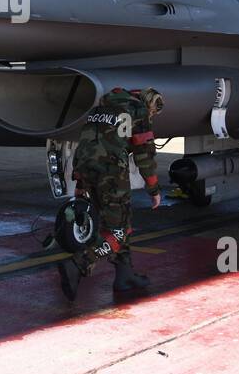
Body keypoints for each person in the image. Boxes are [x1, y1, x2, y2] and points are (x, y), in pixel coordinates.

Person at [59, 86, 164, 300]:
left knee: (114, 224)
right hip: (112, 173)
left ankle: (124, 276)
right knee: (119, 231)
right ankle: (78, 263)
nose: (152, 116)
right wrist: (153, 189)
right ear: (150, 105)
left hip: (88, 170)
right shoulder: (139, 111)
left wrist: (80, 181)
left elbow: (86, 144)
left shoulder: (100, 109)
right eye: (154, 113)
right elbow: (145, 155)